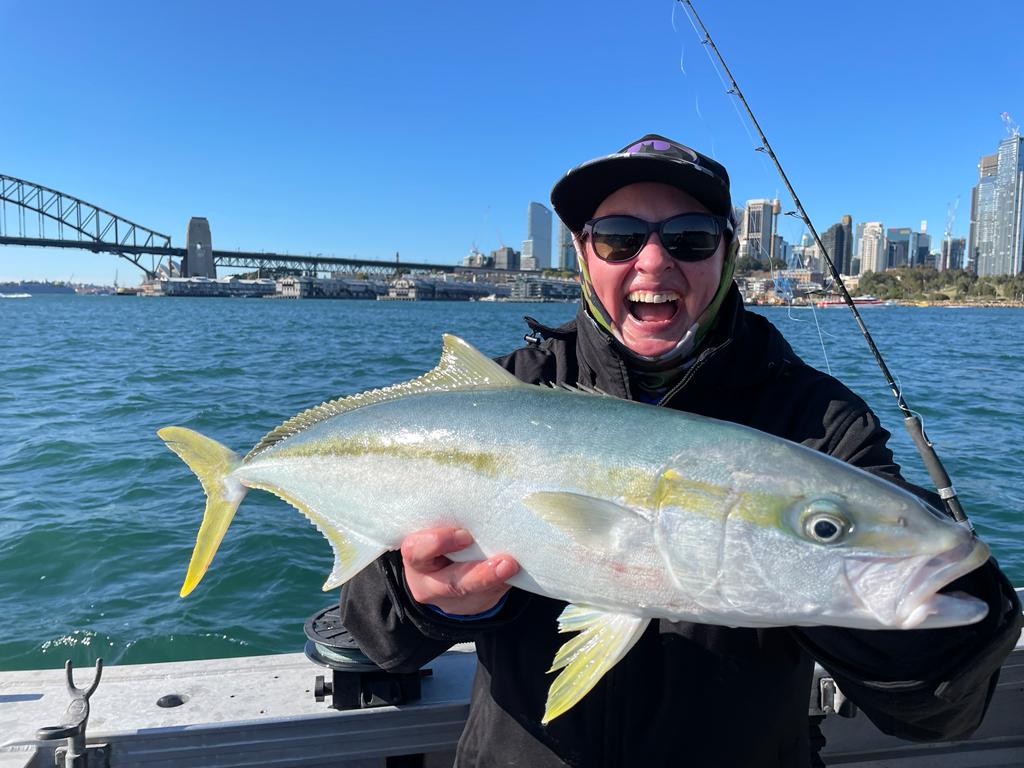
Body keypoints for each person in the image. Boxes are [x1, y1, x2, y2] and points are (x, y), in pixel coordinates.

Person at [341, 134, 1022, 767]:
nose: (654, 261)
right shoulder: (507, 392)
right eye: (617, 238)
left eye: (690, 238)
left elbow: (938, 712)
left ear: (728, 251)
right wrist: (426, 596)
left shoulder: (817, 420)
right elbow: (376, 635)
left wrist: (892, 614)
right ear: (582, 253)